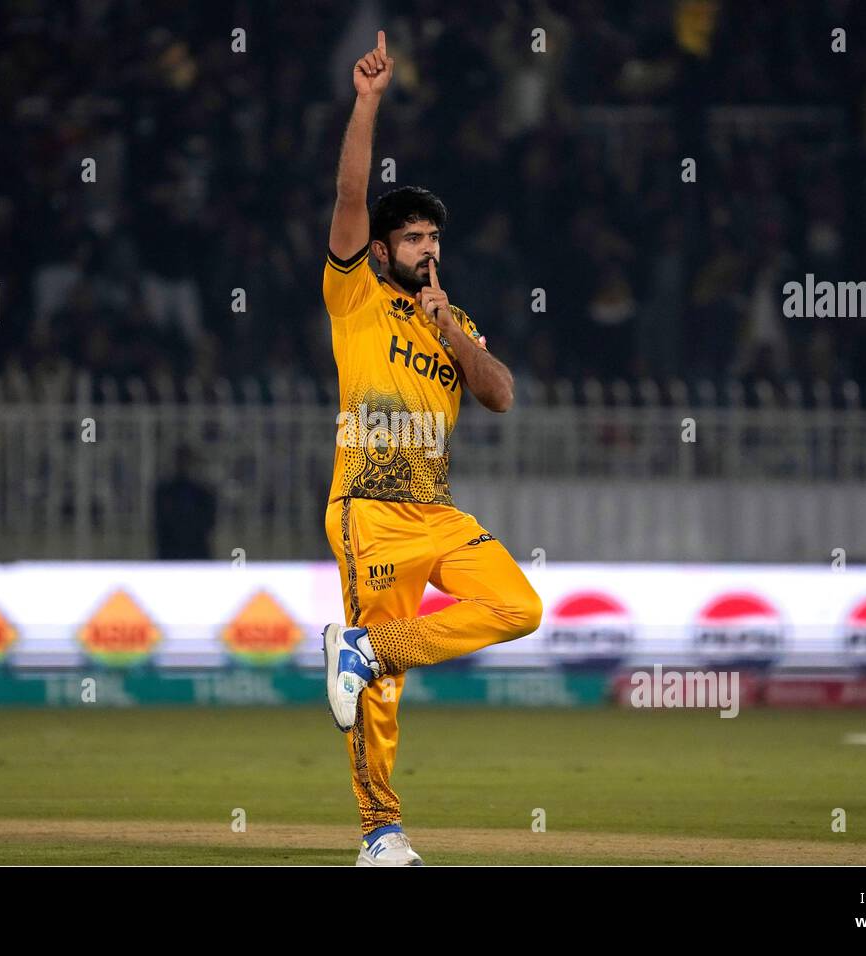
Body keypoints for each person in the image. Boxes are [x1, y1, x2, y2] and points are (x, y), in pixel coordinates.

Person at [319, 32, 542, 867]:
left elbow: (501, 392)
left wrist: (454, 330)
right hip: (369, 512)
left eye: (432, 238)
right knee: (381, 699)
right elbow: (348, 196)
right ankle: (380, 834)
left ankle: (366, 649)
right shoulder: (356, 298)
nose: (427, 248)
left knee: (521, 607)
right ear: (382, 251)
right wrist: (369, 103)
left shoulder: (452, 323)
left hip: (437, 515)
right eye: (411, 238)